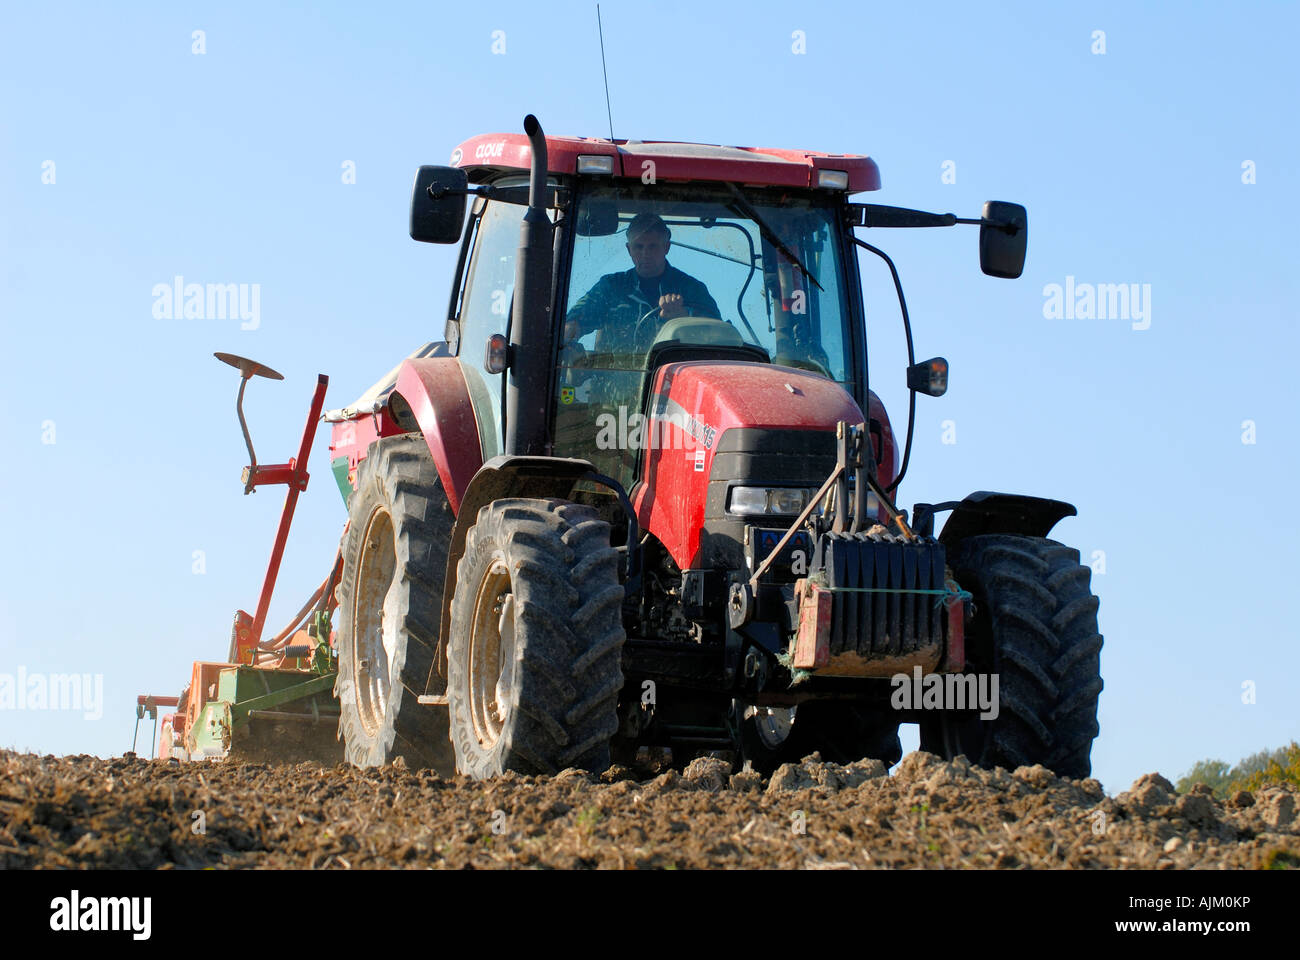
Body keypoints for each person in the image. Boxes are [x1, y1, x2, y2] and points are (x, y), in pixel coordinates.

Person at [564, 213, 721, 354]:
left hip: (672, 383)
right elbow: (574, 321)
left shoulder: (691, 289)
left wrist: (686, 316)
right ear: (629, 249)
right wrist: (568, 339)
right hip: (613, 382)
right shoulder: (610, 287)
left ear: (666, 247)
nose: (645, 254)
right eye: (639, 247)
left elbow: (720, 335)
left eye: (653, 246)